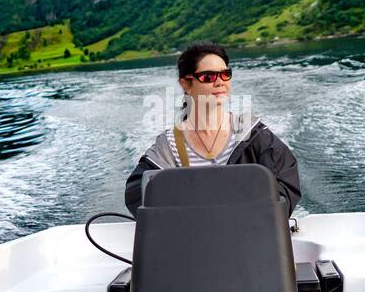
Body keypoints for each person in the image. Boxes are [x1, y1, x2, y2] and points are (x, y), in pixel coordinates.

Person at [124, 41, 301, 216]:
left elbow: (286, 184)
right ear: (186, 84)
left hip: (249, 234)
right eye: (208, 77)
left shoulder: (250, 132)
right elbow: (136, 195)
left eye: (225, 74)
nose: (220, 82)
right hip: (193, 238)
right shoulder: (169, 145)